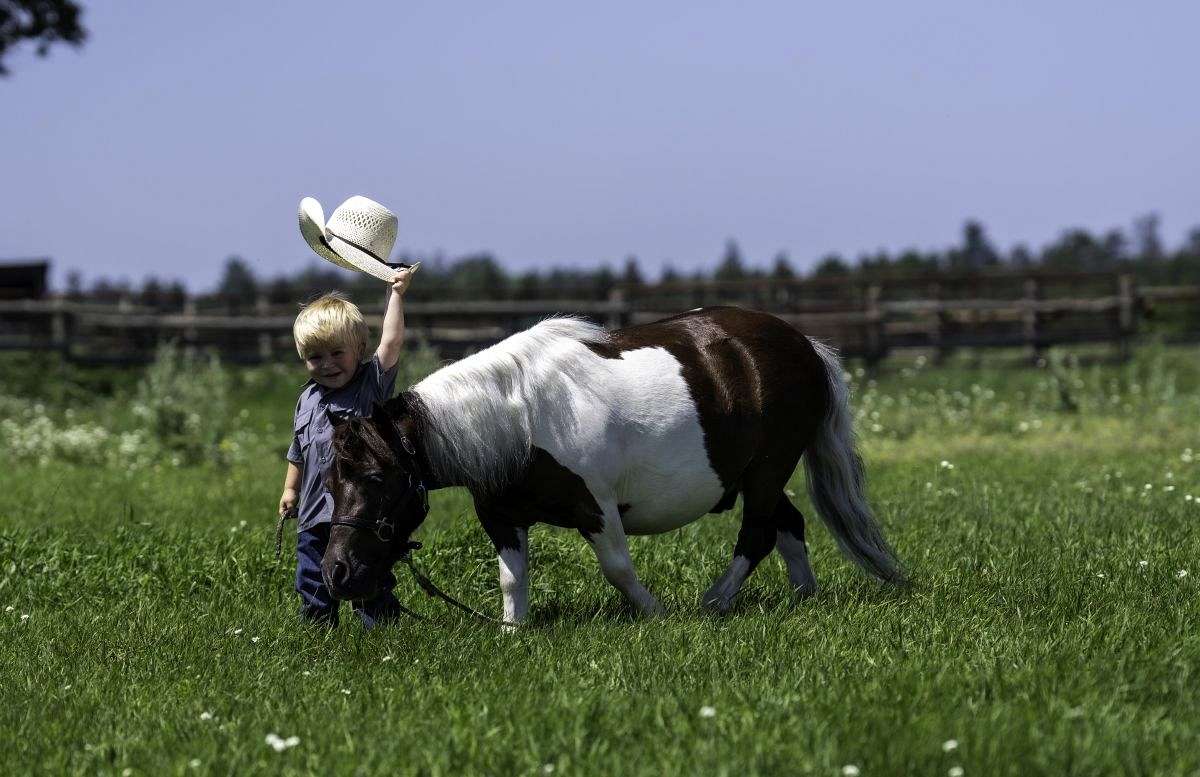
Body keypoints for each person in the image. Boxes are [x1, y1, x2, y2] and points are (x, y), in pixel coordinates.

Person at [278, 268, 416, 627]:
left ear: (359, 349)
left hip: (359, 518)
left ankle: (381, 632)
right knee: (312, 581)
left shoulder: (370, 386)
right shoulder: (306, 399)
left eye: (337, 352)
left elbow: (392, 343)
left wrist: (396, 294)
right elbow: (298, 451)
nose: (327, 364)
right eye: (315, 357)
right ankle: (319, 637)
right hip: (313, 516)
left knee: (368, 577)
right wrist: (290, 488)